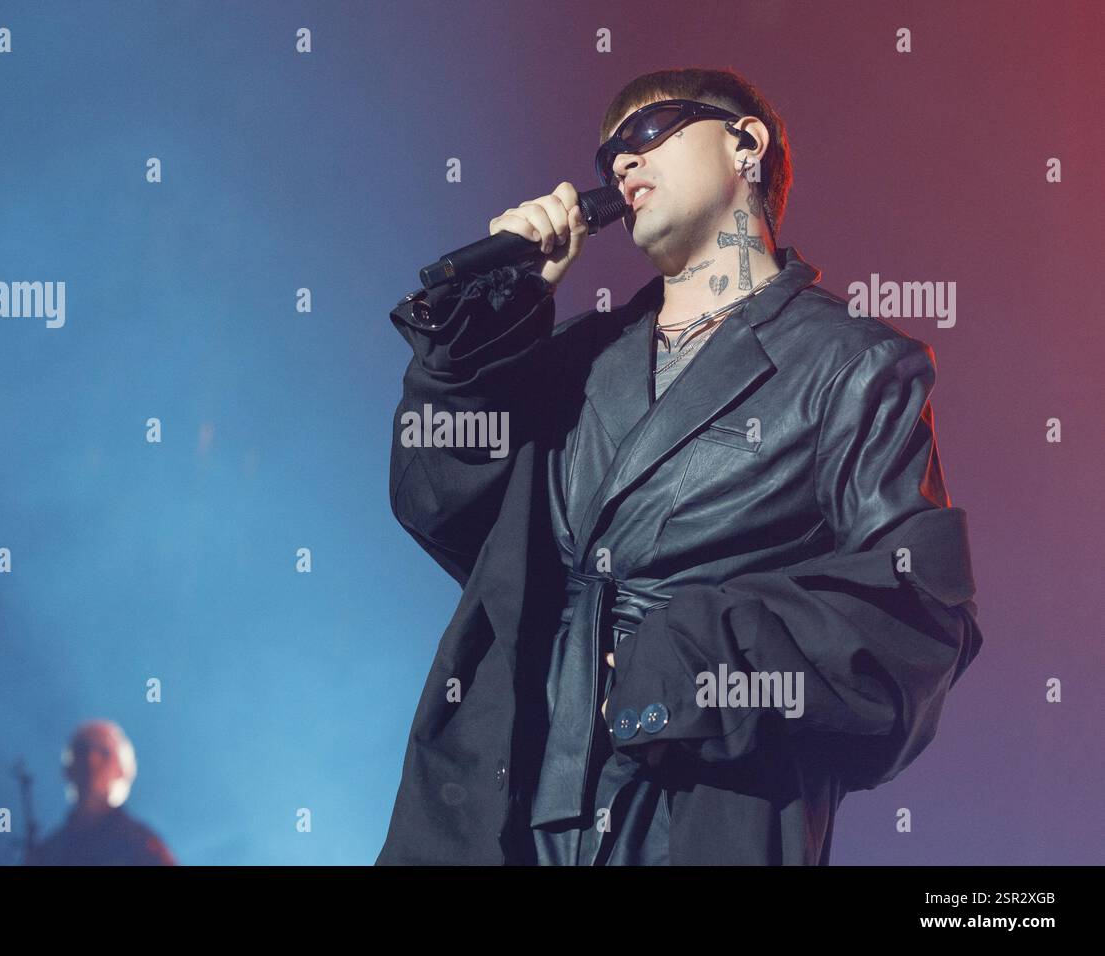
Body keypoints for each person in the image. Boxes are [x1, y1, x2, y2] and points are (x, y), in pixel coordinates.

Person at [377, 67, 983, 865]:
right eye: (608, 158)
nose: (621, 164)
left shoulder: (854, 367)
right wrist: (495, 320)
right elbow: (440, 505)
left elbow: (916, 617)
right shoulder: (577, 361)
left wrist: (691, 653)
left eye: (647, 132)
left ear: (746, 144)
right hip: (503, 810)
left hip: (690, 813)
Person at [25, 719, 176, 866]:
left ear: (122, 769)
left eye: (104, 753)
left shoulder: (141, 845)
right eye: (82, 751)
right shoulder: (49, 853)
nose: (91, 760)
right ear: (68, 769)